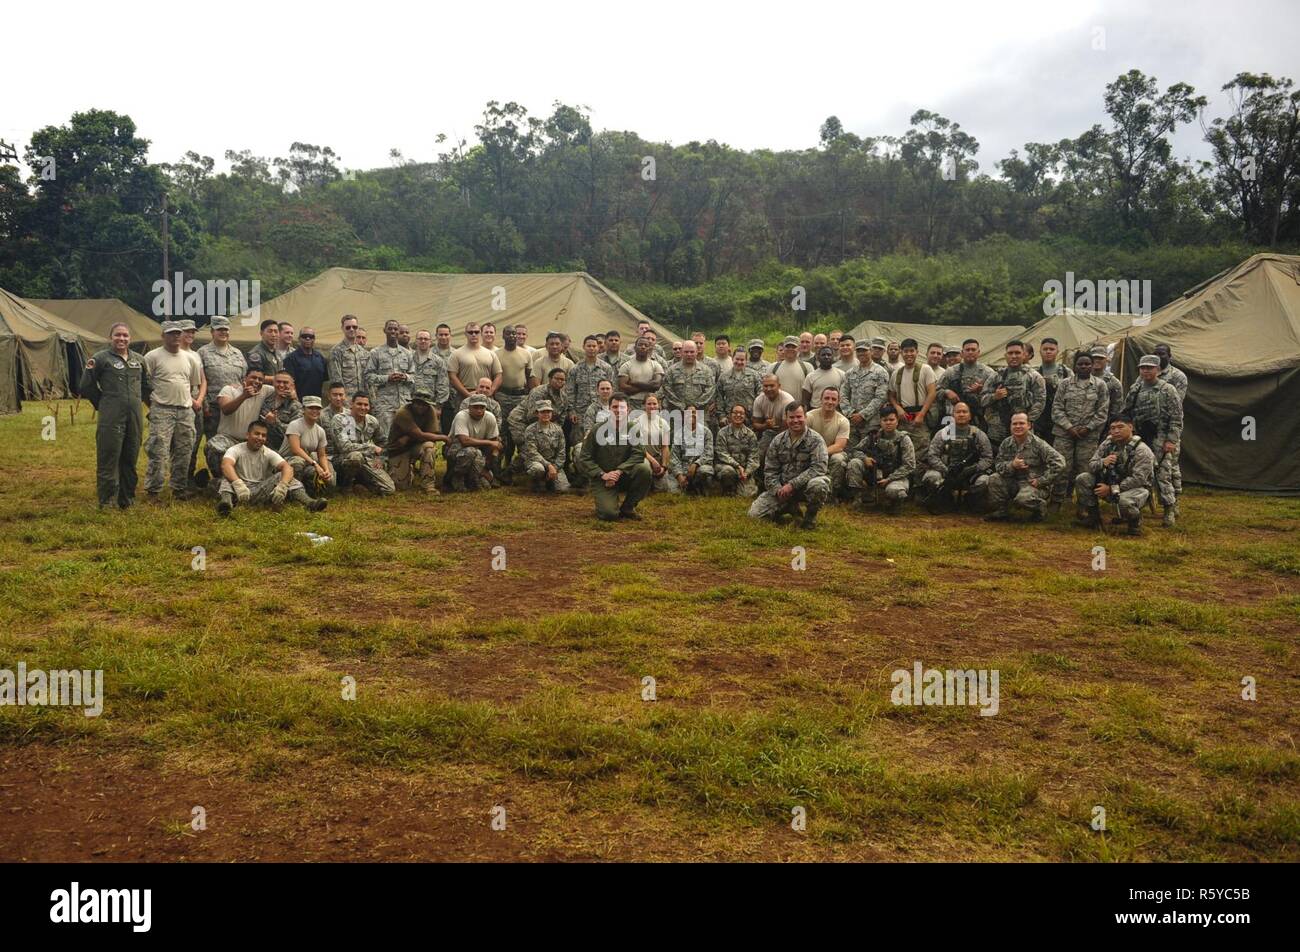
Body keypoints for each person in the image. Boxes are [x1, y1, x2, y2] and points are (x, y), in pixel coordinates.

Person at [81, 322, 146, 509]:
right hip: (111, 416)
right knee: (108, 458)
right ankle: (107, 501)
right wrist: (103, 403)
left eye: (125, 335)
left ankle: (127, 499)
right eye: (118, 335)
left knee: (130, 457)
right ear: (111, 337)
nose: (122, 339)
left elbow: (146, 386)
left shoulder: (139, 360)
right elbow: (86, 385)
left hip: (134, 417)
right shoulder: (101, 358)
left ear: (130, 338)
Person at [142, 321, 203, 502]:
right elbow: (144, 386)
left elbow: (192, 385)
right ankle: (153, 490)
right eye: (171, 334)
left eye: (178, 333)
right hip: (162, 409)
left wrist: (191, 403)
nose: (175, 337)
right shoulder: (152, 357)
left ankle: (179, 488)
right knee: (158, 451)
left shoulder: (190, 358)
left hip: (185, 410)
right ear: (163, 336)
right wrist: (152, 405)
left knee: (185, 450)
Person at [215, 419, 325, 516]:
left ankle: (309, 503)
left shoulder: (268, 452)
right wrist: (238, 484)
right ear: (247, 435)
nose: (260, 438)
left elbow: (286, 467)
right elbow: (226, 465)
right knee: (226, 479)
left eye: (263, 435)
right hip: (239, 490)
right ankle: (226, 506)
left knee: (285, 476)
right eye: (256, 434)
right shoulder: (235, 449)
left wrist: (282, 485)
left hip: (261, 489)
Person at [747, 403, 830, 529]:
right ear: (786, 418)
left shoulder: (816, 440)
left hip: (804, 487)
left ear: (805, 417)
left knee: (819, 485)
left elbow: (819, 468)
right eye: (791, 417)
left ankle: (809, 518)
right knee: (753, 515)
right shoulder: (777, 441)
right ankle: (790, 507)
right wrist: (777, 489)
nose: (795, 420)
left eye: (799, 417)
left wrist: (792, 485)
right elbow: (770, 471)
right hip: (782, 490)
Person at [1123, 355, 1184, 527]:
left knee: (1163, 474)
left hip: (1161, 437)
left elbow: (1176, 418)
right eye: (1143, 368)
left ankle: (1169, 508)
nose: (1146, 371)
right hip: (1140, 438)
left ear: (1158, 370)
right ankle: (1136, 508)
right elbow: (1127, 412)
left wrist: (1171, 441)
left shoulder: (1168, 389)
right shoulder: (1135, 389)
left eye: (1150, 368)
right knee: (1137, 473)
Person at [1049, 352, 1110, 512]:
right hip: (1064, 434)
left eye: (1087, 364)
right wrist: (1069, 427)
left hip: (1088, 436)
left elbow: (1103, 411)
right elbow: (1056, 409)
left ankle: (1085, 504)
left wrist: (1088, 427)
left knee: (1085, 470)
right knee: (1062, 467)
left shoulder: (1100, 385)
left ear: (1092, 366)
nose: (1084, 366)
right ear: (1074, 366)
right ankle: (1056, 500)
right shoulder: (1065, 384)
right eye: (1080, 364)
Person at [1075, 414, 1155, 535]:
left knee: (1124, 502)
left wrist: (1111, 489)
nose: (1116, 431)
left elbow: (1138, 479)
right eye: (1112, 428)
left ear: (1130, 427)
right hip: (1111, 483)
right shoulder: (1108, 443)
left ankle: (1135, 522)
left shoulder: (1142, 450)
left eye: (1120, 427)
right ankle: (1093, 518)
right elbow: (1091, 465)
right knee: (1083, 478)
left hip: (1136, 489)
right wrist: (1103, 462)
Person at [578, 394, 652, 520]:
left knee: (645, 468)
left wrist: (619, 471)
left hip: (624, 475)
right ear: (609, 409)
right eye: (615, 407)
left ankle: (628, 507)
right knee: (609, 515)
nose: (618, 410)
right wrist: (602, 474)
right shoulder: (597, 429)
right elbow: (584, 457)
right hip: (603, 478)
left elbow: (638, 453)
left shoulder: (633, 428)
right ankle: (608, 502)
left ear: (628, 409)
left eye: (622, 407)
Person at [986, 411, 1065, 522]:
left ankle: (1040, 508)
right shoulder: (1006, 443)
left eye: (1021, 423)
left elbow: (1060, 463)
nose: (1018, 426)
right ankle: (1001, 511)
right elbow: (998, 465)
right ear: (1010, 426)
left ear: (1029, 425)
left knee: (1022, 500)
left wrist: (1042, 480)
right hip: (1013, 481)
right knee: (993, 478)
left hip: (1033, 484)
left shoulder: (1038, 444)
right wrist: (1012, 465)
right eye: (1014, 424)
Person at [196, 316, 247, 475]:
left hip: (234, 407)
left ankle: (232, 475)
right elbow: (198, 383)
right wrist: (204, 407)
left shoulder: (237, 353)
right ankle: (218, 476)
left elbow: (243, 379)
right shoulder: (202, 353)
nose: (223, 332)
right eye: (219, 329)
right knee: (214, 445)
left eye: (226, 330)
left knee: (232, 444)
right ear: (212, 332)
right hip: (213, 408)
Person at [920, 401, 993, 512]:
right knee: (931, 477)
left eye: (964, 412)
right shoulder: (943, 433)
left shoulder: (978, 434)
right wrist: (945, 469)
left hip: (971, 474)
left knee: (985, 480)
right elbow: (932, 455)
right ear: (953, 415)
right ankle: (945, 499)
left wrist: (973, 469)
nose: (961, 414)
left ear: (970, 416)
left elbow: (987, 458)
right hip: (946, 471)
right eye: (958, 412)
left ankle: (970, 500)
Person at [206, 367, 274, 475]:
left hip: (248, 441)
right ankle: (220, 479)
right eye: (253, 378)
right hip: (227, 438)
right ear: (245, 378)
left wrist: (292, 391)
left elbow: (282, 381)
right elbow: (226, 409)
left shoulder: (265, 390)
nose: (257, 381)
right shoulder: (229, 389)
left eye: (260, 379)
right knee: (214, 448)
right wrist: (243, 396)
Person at [846, 405, 914, 511]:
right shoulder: (873, 436)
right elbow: (855, 450)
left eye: (891, 419)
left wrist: (889, 479)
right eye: (885, 420)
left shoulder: (903, 439)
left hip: (895, 476)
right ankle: (857, 498)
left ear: (897, 421)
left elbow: (909, 465)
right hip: (874, 473)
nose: (888, 423)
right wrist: (864, 458)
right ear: (880, 421)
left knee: (895, 491)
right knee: (854, 463)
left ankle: (894, 504)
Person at [329, 392, 395, 495]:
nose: (363, 407)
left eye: (366, 405)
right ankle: (346, 486)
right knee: (355, 456)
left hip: (367, 460)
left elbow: (383, 442)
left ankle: (361, 483)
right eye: (359, 404)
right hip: (342, 460)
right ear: (352, 404)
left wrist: (380, 459)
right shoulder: (341, 419)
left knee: (389, 489)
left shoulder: (372, 421)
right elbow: (345, 447)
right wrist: (371, 448)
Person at [982, 339, 1046, 445]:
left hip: (1023, 429)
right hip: (998, 430)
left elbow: (1040, 401)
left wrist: (1026, 421)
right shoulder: (996, 376)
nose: (1014, 356)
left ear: (1024, 355)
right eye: (1010, 353)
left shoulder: (1034, 376)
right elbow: (983, 400)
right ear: (1005, 355)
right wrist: (995, 396)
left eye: (1017, 353)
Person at [386, 389, 448, 493]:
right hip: (399, 449)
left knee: (429, 447)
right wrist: (444, 438)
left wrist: (409, 436)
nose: (420, 407)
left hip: (417, 445)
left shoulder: (430, 411)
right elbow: (421, 435)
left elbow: (431, 435)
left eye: (424, 404)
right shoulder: (403, 413)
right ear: (412, 402)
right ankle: (409, 470)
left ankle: (428, 485)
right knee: (400, 486)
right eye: (417, 403)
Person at [365, 318, 416, 439]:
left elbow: (414, 376)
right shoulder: (376, 353)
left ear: (399, 331)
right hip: (385, 404)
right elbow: (368, 376)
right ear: (385, 331)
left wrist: (405, 377)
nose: (393, 331)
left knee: (404, 436)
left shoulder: (408, 354)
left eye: (395, 329)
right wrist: (387, 378)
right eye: (390, 329)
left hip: (404, 403)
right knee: (386, 437)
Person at [888, 338, 938, 461]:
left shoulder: (926, 369)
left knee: (921, 453)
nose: (909, 354)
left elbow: (932, 393)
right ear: (901, 352)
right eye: (906, 351)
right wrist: (898, 408)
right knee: (902, 454)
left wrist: (921, 414)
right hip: (903, 419)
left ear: (917, 352)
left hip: (920, 419)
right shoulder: (896, 373)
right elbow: (891, 395)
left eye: (912, 351)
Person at [494, 325, 536, 473]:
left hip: (520, 397)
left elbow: (530, 376)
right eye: (508, 334)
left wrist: (532, 396)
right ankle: (499, 465)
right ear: (503, 336)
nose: (512, 336)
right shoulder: (496, 354)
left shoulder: (526, 354)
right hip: (502, 396)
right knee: (502, 430)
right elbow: (494, 376)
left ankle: (517, 464)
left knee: (519, 431)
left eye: (514, 334)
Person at [445, 394, 503, 491]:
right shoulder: (461, 416)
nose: (479, 411)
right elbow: (464, 441)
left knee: (484, 486)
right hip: (457, 451)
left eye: (482, 407)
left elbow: (495, 443)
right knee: (471, 452)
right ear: (469, 407)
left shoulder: (490, 417)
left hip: (479, 453)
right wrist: (489, 443)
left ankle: (474, 477)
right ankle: (455, 477)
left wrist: (487, 466)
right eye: (475, 407)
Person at [447, 322, 503, 421]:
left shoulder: (491, 354)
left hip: (486, 396)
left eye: (476, 332)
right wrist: (467, 394)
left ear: (480, 333)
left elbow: (498, 375)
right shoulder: (456, 354)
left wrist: (491, 391)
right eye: (470, 332)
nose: (473, 334)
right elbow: (452, 377)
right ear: (465, 334)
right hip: (464, 396)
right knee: (462, 424)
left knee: (487, 424)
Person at [280, 395, 335, 495]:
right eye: (311, 408)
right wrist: (315, 464)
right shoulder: (295, 424)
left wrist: (326, 470)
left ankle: (309, 492)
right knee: (298, 462)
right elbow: (295, 450)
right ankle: (292, 493)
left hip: (308, 462)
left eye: (318, 408)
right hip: (287, 461)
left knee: (330, 481)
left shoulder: (320, 431)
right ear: (303, 410)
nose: (315, 411)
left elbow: (322, 455)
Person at [937, 338, 996, 431]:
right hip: (952, 418)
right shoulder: (951, 371)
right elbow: (936, 391)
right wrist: (947, 392)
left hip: (978, 418)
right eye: (967, 350)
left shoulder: (988, 373)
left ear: (978, 352)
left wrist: (982, 390)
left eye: (973, 350)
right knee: (950, 444)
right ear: (962, 353)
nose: (970, 352)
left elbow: (996, 395)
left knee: (976, 443)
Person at [806, 387, 851, 497]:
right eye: (826, 398)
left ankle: (833, 494)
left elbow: (839, 446)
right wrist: (814, 454)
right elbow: (804, 441)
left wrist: (821, 453)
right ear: (820, 399)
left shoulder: (843, 421)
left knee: (839, 459)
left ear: (838, 402)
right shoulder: (809, 417)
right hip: (810, 453)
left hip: (830, 454)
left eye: (833, 399)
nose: (830, 402)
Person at [564, 335, 614, 435]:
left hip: (601, 411)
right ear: (583, 347)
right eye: (589, 346)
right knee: (580, 443)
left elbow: (612, 390)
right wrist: (572, 411)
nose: (591, 349)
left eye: (594, 346)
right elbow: (570, 391)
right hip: (581, 412)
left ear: (598, 347)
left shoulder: (606, 368)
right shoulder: (575, 369)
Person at [842, 340, 890, 440]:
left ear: (871, 351)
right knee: (851, 452)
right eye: (858, 351)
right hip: (852, 422)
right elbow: (843, 395)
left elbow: (880, 398)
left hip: (871, 424)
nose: (861, 353)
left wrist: (862, 415)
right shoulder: (850, 373)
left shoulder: (881, 372)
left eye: (864, 350)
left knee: (869, 453)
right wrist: (851, 414)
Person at [661, 340, 716, 422]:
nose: (689, 354)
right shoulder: (671, 371)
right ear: (682, 352)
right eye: (686, 352)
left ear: (697, 352)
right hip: (677, 414)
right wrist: (682, 406)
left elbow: (710, 390)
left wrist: (695, 406)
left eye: (692, 352)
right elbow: (667, 390)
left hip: (699, 414)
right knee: (677, 435)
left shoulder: (706, 371)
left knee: (699, 434)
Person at [521, 400, 569, 493]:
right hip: (536, 462)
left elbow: (561, 453)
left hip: (554, 465)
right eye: (543, 412)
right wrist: (548, 466)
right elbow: (532, 452)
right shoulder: (530, 430)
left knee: (563, 489)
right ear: (537, 413)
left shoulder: (558, 430)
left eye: (548, 412)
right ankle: (536, 482)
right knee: (538, 469)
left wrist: (555, 467)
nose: (546, 414)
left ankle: (549, 481)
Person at [715, 403, 760, 498]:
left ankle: (740, 486)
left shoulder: (750, 435)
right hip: (727, 467)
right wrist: (737, 466)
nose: (738, 415)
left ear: (745, 416)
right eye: (735, 413)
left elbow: (754, 457)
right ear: (730, 415)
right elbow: (722, 453)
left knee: (748, 495)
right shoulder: (722, 433)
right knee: (727, 471)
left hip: (744, 471)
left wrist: (747, 472)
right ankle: (728, 490)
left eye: (741, 413)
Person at [631, 393, 673, 492]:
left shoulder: (663, 423)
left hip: (657, 458)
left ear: (659, 405)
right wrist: (652, 461)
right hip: (643, 457)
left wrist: (663, 466)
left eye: (654, 404)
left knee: (662, 489)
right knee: (645, 472)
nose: (652, 406)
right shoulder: (636, 422)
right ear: (644, 405)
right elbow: (637, 447)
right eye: (649, 404)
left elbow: (665, 447)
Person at [752, 374, 796, 467]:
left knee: (780, 454)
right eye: (765, 386)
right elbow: (756, 424)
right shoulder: (759, 400)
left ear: (779, 386)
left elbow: (788, 425)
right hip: (769, 432)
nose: (768, 389)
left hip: (788, 433)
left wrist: (774, 445)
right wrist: (765, 426)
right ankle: (759, 477)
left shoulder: (787, 400)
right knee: (759, 454)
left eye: (772, 386)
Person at [669, 405, 714, 494]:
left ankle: (699, 487)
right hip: (683, 469)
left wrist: (696, 464)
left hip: (700, 468)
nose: (691, 415)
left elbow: (709, 453)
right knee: (673, 492)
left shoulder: (706, 432)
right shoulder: (678, 433)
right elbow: (674, 457)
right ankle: (686, 485)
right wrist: (679, 475)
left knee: (704, 471)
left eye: (693, 412)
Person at [1035, 337, 1071, 440]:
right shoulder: (1034, 373)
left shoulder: (1066, 372)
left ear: (1057, 352)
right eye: (1045, 349)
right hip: (1039, 420)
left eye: (1052, 349)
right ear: (1040, 351)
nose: (1048, 352)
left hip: (1060, 422)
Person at [617, 336, 665, 411]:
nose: (643, 347)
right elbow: (623, 388)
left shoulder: (656, 365)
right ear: (635, 348)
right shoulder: (626, 366)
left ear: (649, 349)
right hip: (631, 404)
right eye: (640, 345)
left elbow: (656, 385)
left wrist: (634, 383)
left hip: (650, 404)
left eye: (646, 345)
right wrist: (649, 386)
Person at [716, 351, 763, 428]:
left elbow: (760, 396)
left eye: (742, 360)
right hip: (729, 418)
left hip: (749, 418)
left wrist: (757, 415)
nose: (739, 362)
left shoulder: (754, 375)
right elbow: (719, 397)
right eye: (737, 359)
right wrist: (721, 416)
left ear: (746, 361)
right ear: (732, 359)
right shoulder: (724, 377)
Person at [328, 314, 369, 399]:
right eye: (348, 327)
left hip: (362, 401)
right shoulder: (336, 351)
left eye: (354, 327)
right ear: (342, 328)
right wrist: (343, 400)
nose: (351, 329)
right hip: (346, 400)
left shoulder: (364, 353)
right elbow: (336, 380)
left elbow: (368, 379)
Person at [259, 372, 302, 449]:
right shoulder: (265, 400)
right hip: (262, 447)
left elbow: (295, 432)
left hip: (283, 450)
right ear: (273, 383)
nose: (281, 385)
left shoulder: (296, 406)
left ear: (292, 385)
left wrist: (276, 423)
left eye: (285, 383)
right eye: (278, 382)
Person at [283, 325, 328, 400]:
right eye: (304, 336)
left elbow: (325, 380)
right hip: (299, 401)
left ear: (314, 339)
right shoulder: (291, 358)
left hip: (317, 402)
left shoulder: (320, 358)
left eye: (311, 336)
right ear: (299, 339)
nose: (308, 338)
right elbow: (289, 383)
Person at [1090, 346, 1124, 422]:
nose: (1097, 361)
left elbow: (1117, 408)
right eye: (1094, 358)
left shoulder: (1113, 382)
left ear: (1107, 360)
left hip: (1103, 423)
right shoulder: (1082, 377)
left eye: (1101, 358)